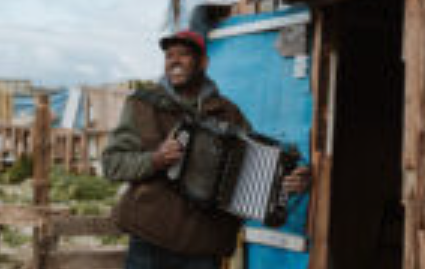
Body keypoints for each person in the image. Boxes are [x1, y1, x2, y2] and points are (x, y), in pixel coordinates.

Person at [103, 29, 311, 269]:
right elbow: (112, 164)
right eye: (169, 56)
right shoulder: (143, 104)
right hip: (151, 240)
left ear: (203, 62)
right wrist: (155, 160)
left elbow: (260, 168)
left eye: (184, 54)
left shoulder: (229, 113)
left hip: (203, 247)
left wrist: (288, 181)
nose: (175, 61)